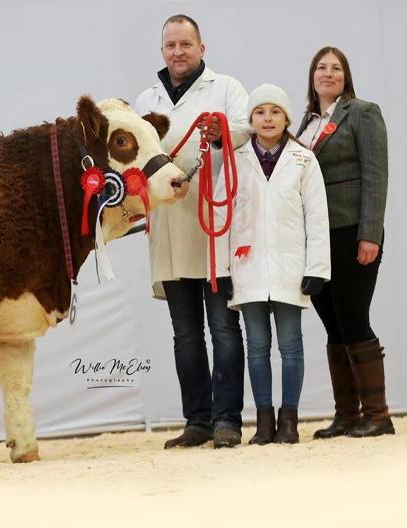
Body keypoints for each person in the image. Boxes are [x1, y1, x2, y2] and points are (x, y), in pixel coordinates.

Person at [134, 14, 250, 449]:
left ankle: (228, 420)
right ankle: (197, 420)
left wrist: (221, 134)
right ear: (162, 50)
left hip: (214, 222)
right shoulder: (146, 99)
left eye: (186, 44)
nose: (178, 52)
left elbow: (247, 131)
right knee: (185, 333)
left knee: (224, 328)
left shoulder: (227, 88)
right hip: (168, 225)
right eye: (171, 45)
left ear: (202, 48)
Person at [213, 84, 330, 445]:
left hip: (290, 268)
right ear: (251, 119)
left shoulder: (303, 159)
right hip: (246, 267)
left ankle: (289, 421)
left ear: (286, 118)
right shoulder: (235, 160)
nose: (267, 118)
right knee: (257, 347)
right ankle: (264, 422)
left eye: (275, 112)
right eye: (260, 112)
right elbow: (220, 216)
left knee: (291, 345)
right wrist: (221, 269)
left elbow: (317, 217)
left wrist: (317, 268)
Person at [295, 47, 394, 438]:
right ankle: (347, 415)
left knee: (353, 318)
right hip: (316, 238)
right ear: (312, 76)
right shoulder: (306, 123)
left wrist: (369, 234)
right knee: (333, 324)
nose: (328, 73)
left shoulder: (362, 113)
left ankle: (378, 415)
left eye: (336, 68)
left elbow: (376, 175)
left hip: (352, 231)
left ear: (346, 76)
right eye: (321, 67)